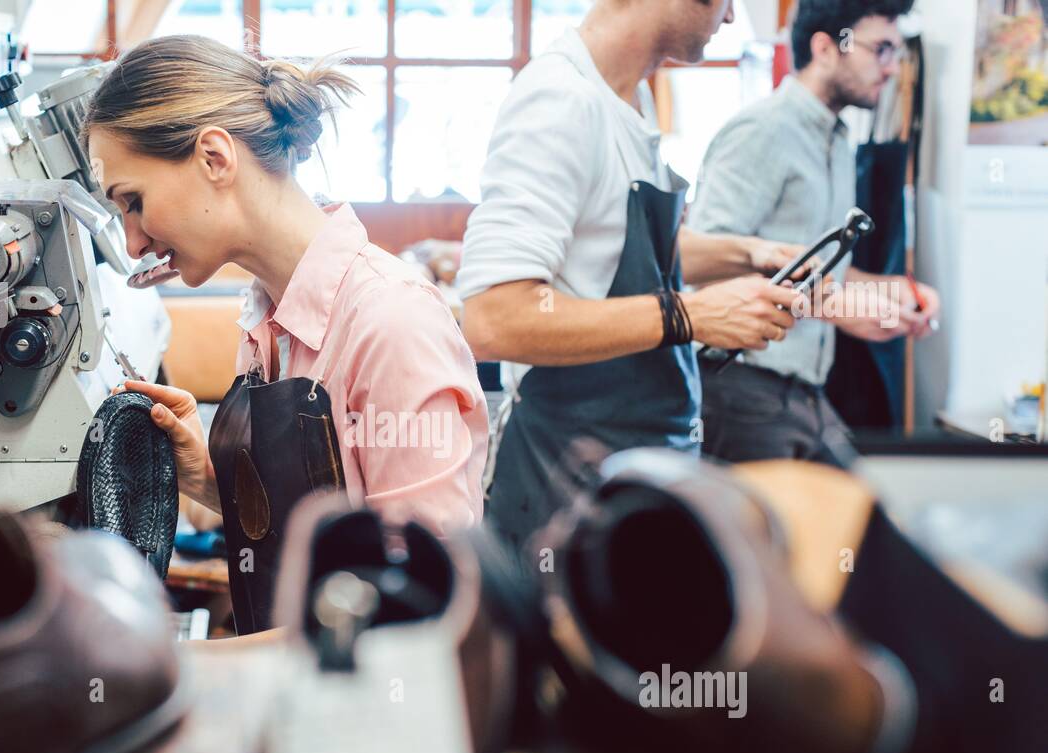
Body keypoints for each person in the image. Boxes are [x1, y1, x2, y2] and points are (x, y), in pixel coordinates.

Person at [82, 35, 488, 632]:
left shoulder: (390, 322)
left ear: (215, 158)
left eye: (134, 202)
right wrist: (208, 479)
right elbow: (335, 517)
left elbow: (417, 614)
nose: (134, 242)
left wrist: (184, 668)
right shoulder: (268, 317)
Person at [458, 0, 810, 557]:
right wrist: (691, 316)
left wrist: (751, 253)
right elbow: (493, 317)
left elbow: (626, 251)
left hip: (635, 468)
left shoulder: (631, 96)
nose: (729, 19)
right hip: (561, 482)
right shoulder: (561, 100)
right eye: (727, 2)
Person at [689, 0, 940, 466]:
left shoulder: (838, 140)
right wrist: (841, 311)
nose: (890, 69)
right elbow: (704, 271)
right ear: (826, 48)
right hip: (743, 390)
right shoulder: (763, 130)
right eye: (880, 50)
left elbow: (824, 276)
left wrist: (898, 292)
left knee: (861, 511)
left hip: (802, 391)